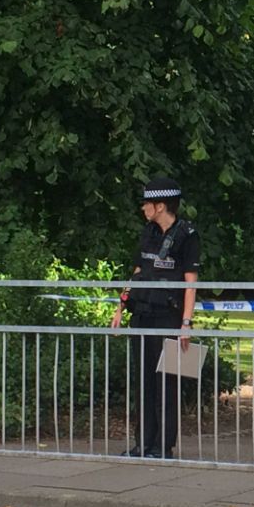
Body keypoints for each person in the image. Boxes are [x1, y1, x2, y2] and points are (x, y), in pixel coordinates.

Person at [110, 176, 200, 459]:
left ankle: (163, 446)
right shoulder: (148, 231)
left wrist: (186, 323)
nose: (143, 208)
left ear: (160, 205)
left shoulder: (187, 235)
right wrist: (121, 306)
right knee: (144, 381)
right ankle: (143, 444)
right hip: (143, 315)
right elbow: (137, 271)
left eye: (146, 203)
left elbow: (190, 283)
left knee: (167, 382)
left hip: (168, 319)